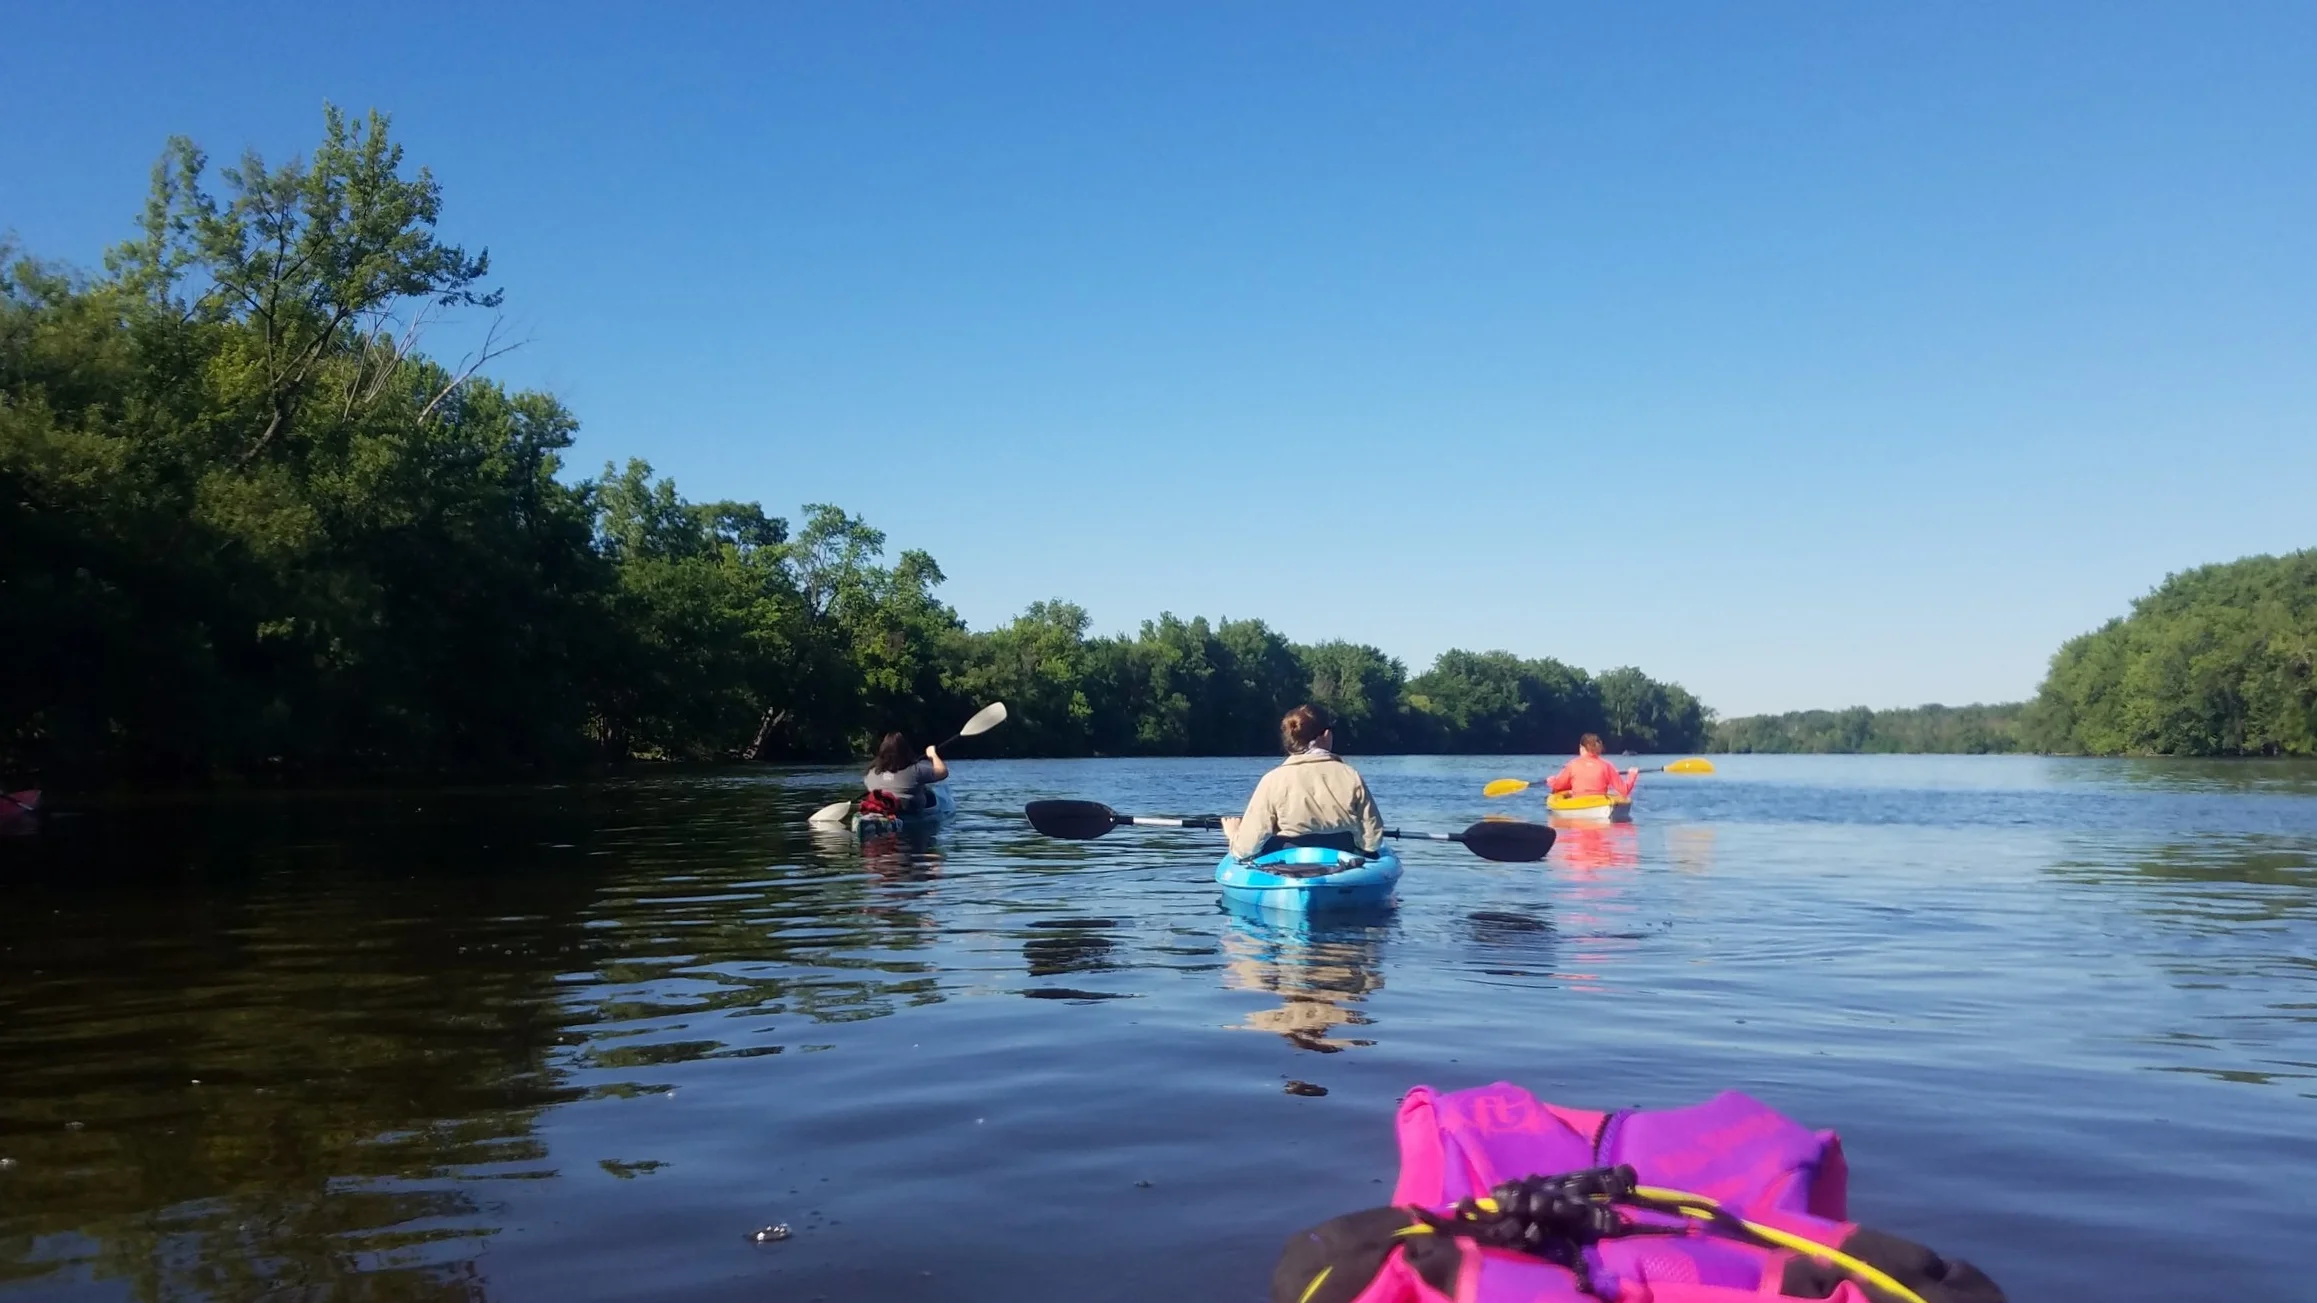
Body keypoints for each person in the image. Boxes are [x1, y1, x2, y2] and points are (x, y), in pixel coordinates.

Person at [1221, 705, 1388, 860]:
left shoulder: (1272, 780)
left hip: (1287, 863)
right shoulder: (1350, 775)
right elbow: (1372, 841)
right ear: (1326, 735)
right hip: (1342, 861)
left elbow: (1246, 848)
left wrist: (1234, 834)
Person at [863, 731, 948, 815]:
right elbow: (943, 772)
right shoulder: (916, 771)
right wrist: (932, 755)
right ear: (906, 751)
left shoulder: (871, 773)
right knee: (929, 793)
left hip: (882, 806)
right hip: (907, 810)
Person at [1547, 733, 1638, 799]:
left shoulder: (1572, 765)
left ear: (1581, 748)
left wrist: (1551, 780)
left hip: (1578, 802)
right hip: (1600, 802)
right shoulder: (1607, 766)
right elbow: (1625, 790)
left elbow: (1558, 786)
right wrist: (1632, 775)